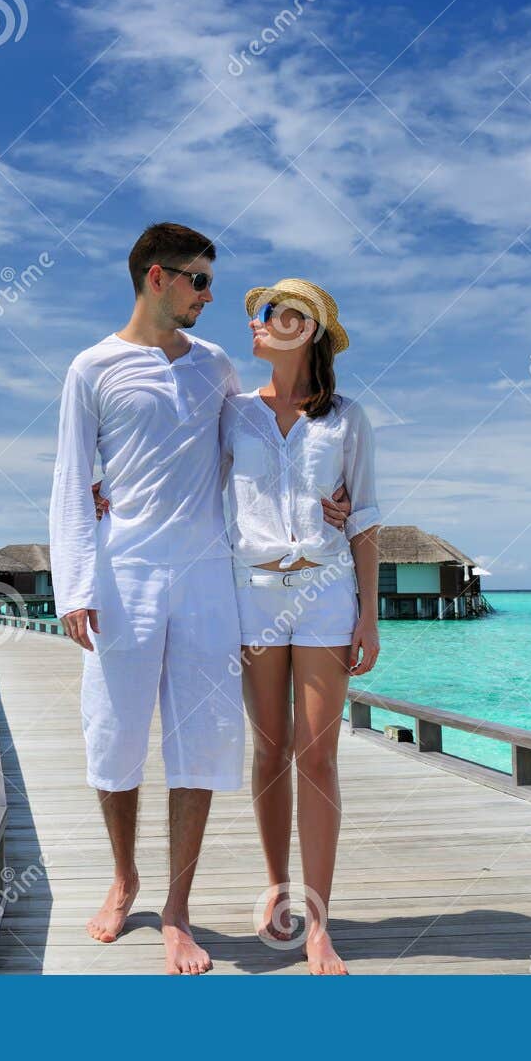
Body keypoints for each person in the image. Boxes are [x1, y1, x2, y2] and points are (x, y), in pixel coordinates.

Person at [49, 224, 350, 975]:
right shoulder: (91, 368)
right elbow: (68, 482)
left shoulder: (216, 368)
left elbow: (260, 448)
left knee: (205, 737)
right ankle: (125, 879)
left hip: (208, 573)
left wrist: (328, 503)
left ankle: (178, 909)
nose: (210, 296)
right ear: (158, 278)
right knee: (114, 734)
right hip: (125, 572)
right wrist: (75, 586)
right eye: (200, 282)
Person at [220, 278, 381, 975]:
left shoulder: (348, 419)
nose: (256, 321)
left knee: (317, 756)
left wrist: (371, 613)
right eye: (258, 313)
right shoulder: (231, 413)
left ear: (307, 329)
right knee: (270, 747)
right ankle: (276, 887)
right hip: (253, 593)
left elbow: (367, 516)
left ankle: (319, 922)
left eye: (273, 313)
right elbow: (187, 485)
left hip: (323, 591)